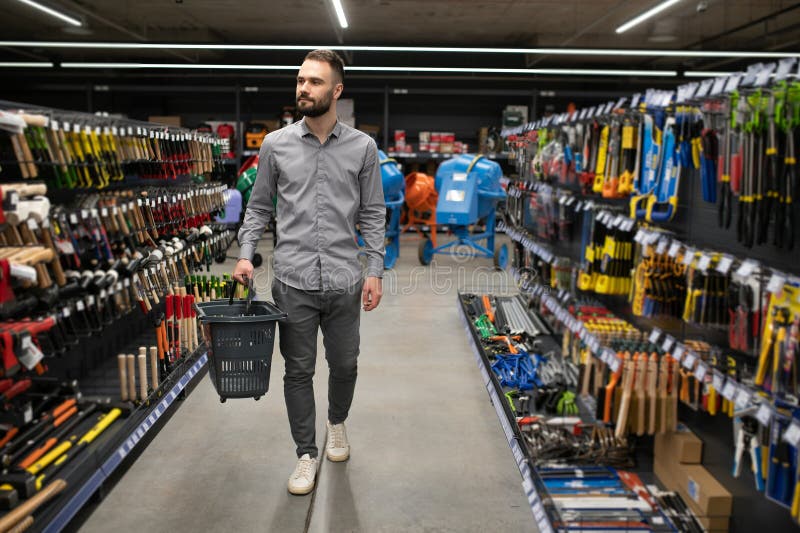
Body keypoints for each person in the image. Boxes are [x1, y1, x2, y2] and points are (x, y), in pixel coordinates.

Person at [234, 49, 386, 496]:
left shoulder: (363, 147)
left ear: (336, 90)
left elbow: (374, 212)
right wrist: (245, 253)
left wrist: (374, 269)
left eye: (315, 82)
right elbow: (259, 205)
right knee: (297, 370)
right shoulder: (275, 144)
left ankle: (336, 423)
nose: (304, 88)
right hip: (292, 280)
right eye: (301, 80)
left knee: (345, 363)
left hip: (344, 278)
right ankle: (305, 452)